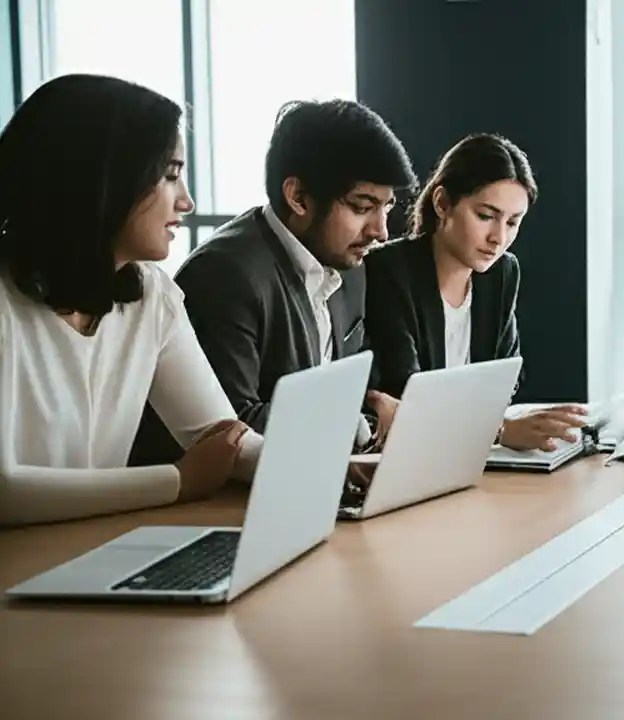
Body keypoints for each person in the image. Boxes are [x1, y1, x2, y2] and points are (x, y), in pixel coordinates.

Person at [0, 75, 260, 526]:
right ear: (102, 178)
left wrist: (332, 468)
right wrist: (175, 481)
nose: (187, 201)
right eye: (170, 175)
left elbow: (219, 437)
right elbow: (4, 491)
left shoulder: (150, 294)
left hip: (91, 550)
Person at [131, 99, 417, 464]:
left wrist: (374, 405)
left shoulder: (350, 262)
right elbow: (233, 426)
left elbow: (332, 387)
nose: (380, 231)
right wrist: (357, 425)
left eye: (387, 207)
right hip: (216, 502)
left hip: (310, 481)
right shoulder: (224, 275)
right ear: (298, 197)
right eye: (362, 207)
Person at [364, 133, 585, 451]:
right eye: (485, 216)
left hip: (466, 454)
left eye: (513, 222)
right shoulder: (390, 270)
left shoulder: (502, 272)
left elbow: (507, 377)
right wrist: (498, 430)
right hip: (411, 455)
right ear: (442, 203)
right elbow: (407, 391)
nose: (498, 237)